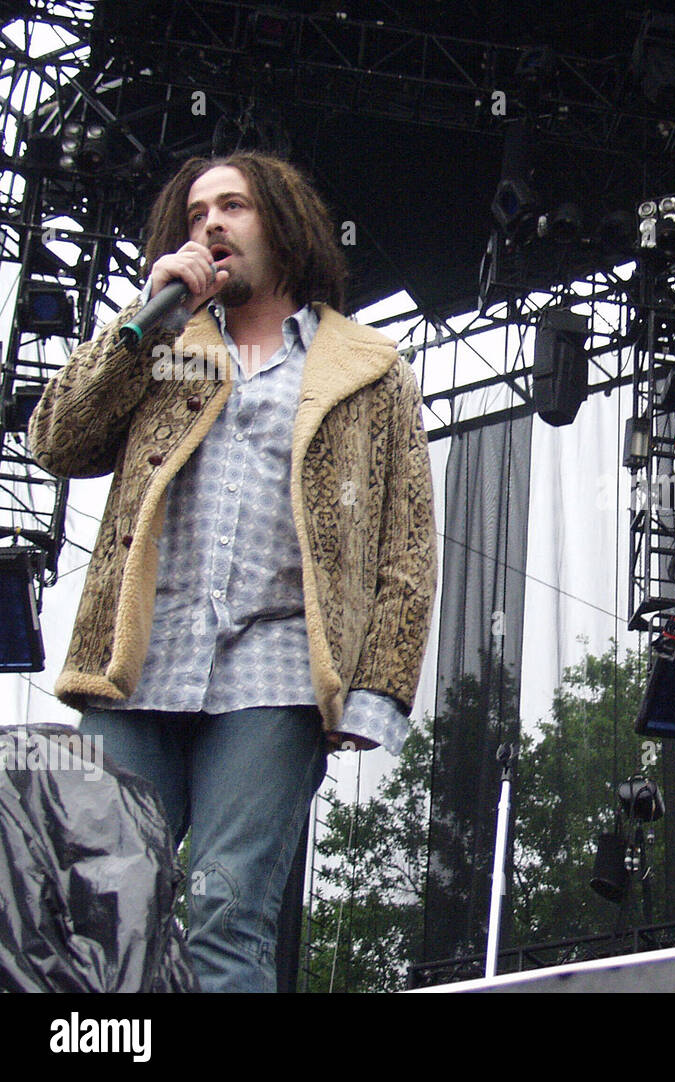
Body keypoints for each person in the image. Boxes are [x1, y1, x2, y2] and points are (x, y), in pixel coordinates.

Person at [27, 151, 437, 990]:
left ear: (283, 228)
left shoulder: (367, 368)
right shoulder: (166, 343)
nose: (208, 225)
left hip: (276, 671)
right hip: (138, 667)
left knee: (224, 912)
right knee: (104, 916)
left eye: (233, 207)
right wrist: (141, 324)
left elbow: (407, 546)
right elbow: (57, 440)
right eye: (195, 213)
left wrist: (376, 690)